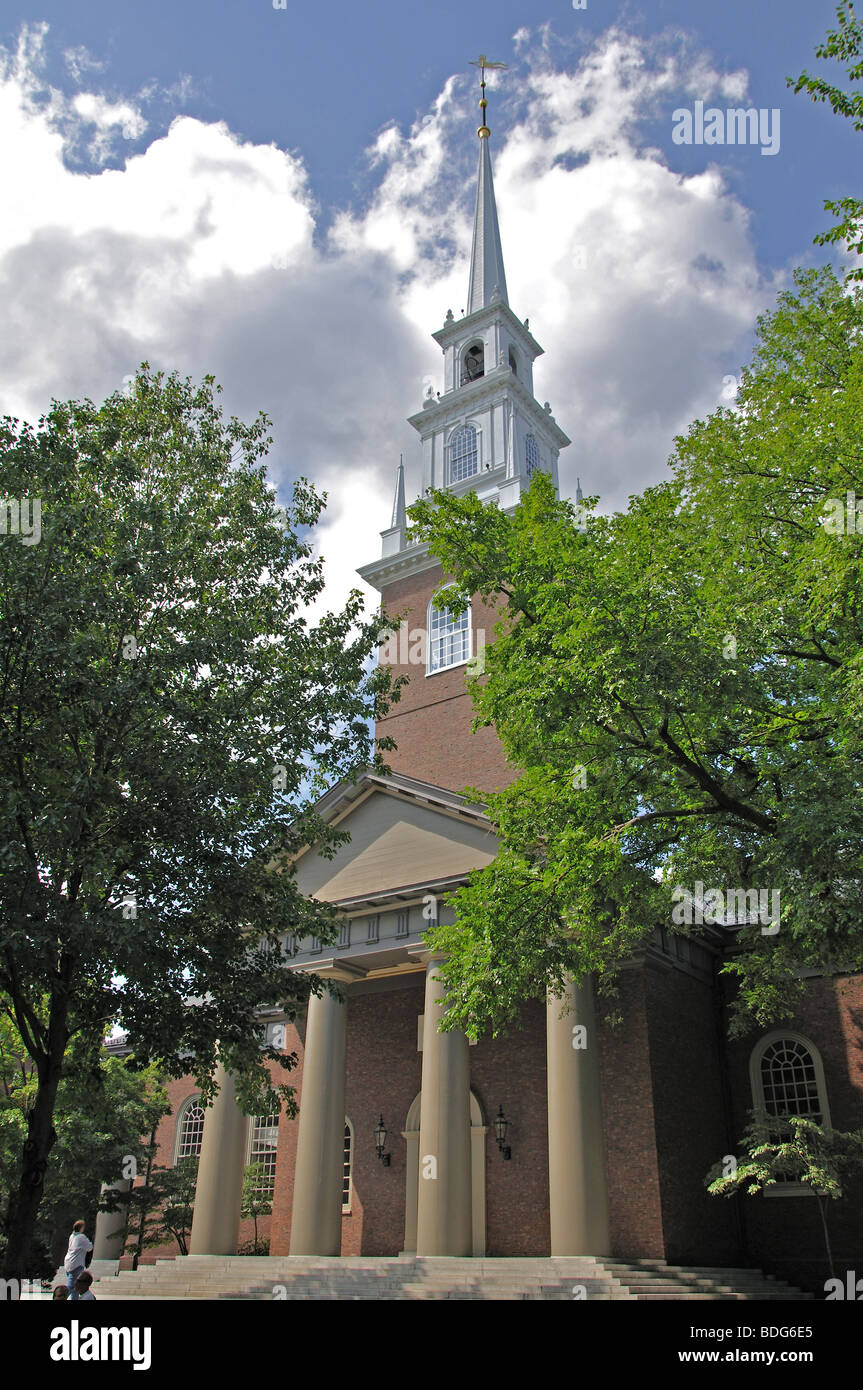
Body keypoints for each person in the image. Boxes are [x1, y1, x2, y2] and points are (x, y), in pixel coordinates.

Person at [63, 1220, 93, 1297]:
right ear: (81, 1228)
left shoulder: (72, 1236)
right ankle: (61, 1297)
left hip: (68, 1262)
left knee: (76, 1288)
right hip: (77, 1263)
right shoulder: (81, 1237)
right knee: (71, 1286)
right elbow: (89, 1247)